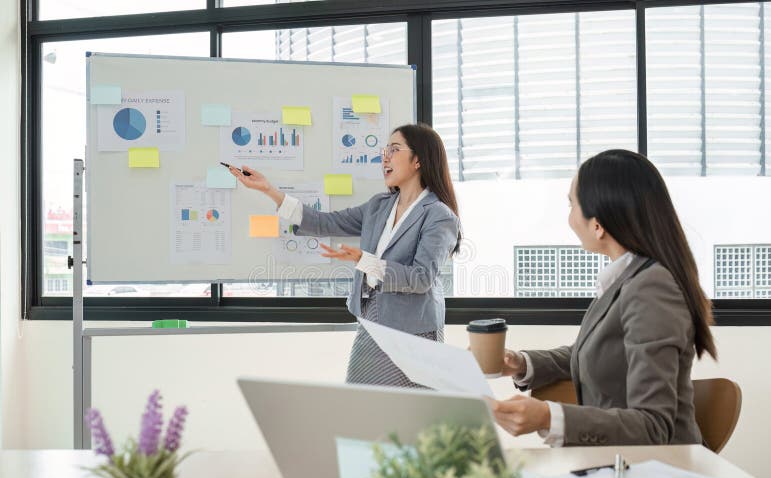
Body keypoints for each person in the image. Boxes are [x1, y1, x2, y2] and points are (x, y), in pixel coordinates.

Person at [489, 149, 716, 446]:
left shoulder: (652, 287)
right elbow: (596, 353)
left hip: (658, 471)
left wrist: (549, 417)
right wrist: (520, 363)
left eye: (572, 205)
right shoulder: (630, 278)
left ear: (598, 225)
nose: (569, 218)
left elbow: (653, 425)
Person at [228, 123, 461, 388]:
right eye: (385, 149)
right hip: (372, 322)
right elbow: (323, 223)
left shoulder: (438, 215)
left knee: (408, 418)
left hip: (414, 334)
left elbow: (421, 278)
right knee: (359, 407)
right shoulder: (378, 206)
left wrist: (365, 261)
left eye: (394, 150)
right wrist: (269, 190)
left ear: (418, 159)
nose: (384, 156)